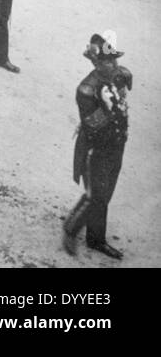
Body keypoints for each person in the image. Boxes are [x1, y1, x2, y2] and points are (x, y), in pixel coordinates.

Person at [64, 32, 130, 260]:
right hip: (96, 148)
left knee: (106, 195)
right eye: (106, 61)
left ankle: (95, 239)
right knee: (95, 195)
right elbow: (92, 124)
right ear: (95, 62)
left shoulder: (117, 75)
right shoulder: (87, 89)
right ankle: (71, 229)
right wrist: (110, 107)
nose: (112, 64)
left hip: (117, 145)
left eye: (114, 60)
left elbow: (124, 95)